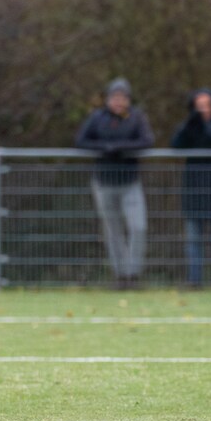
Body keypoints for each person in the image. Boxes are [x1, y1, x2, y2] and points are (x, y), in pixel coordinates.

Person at [74, 76, 156, 289]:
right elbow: (81, 141)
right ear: (108, 99)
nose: (118, 102)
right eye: (114, 97)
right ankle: (120, 275)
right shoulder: (97, 118)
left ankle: (133, 273)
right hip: (104, 183)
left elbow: (147, 141)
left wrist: (121, 147)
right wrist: (104, 147)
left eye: (122, 97)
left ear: (128, 99)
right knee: (113, 231)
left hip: (130, 182)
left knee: (138, 227)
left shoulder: (136, 117)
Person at [170, 88, 211, 288]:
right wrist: (191, 124)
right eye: (199, 106)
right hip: (193, 190)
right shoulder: (189, 126)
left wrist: (206, 125)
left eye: (207, 105)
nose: (203, 109)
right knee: (193, 240)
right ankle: (194, 281)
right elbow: (176, 145)